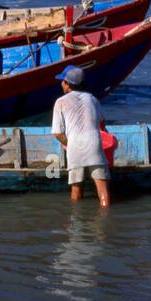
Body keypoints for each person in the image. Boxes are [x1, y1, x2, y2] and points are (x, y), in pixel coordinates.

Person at [50, 65, 110, 207]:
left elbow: (58, 133)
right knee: (103, 192)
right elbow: (102, 125)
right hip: (94, 145)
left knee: (76, 191)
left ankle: (76, 224)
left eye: (63, 81)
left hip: (75, 147)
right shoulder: (93, 99)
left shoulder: (60, 102)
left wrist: (70, 144)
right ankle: (105, 224)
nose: (61, 84)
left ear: (68, 84)